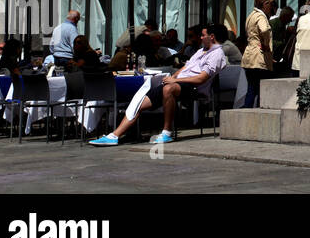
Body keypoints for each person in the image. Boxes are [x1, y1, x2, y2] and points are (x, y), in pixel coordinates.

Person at [89, 24, 228, 146]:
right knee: (139, 101)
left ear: (212, 37)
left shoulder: (217, 54)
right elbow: (186, 68)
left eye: (203, 35)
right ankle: (114, 136)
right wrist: (173, 76)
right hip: (179, 83)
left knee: (169, 89)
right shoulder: (200, 51)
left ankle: (166, 132)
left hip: (193, 87)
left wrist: (175, 81)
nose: (201, 38)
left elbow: (201, 78)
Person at [241, 0, 275, 109]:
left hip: (249, 55)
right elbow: (265, 30)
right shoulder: (261, 16)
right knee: (261, 89)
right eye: (270, 4)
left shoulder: (251, 15)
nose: (271, 7)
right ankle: (259, 114)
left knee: (252, 88)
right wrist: (266, 44)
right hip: (258, 57)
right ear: (265, 4)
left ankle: (247, 112)